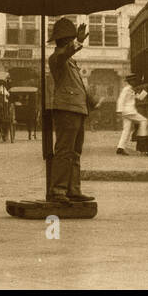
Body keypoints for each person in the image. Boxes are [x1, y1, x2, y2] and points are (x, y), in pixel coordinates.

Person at [48, 17, 96, 204]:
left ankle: (73, 189)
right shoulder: (57, 58)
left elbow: (78, 86)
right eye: (70, 39)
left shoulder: (70, 62)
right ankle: (59, 190)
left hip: (77, 109)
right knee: (64, 151)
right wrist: (79, 42)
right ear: (66, 41)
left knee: (75, 152)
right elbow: (65, 54)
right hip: (66, 109)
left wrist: (90, 102)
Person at [115, 75, 148, 155]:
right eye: (133, 80)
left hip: (127, 111)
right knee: (144, 120)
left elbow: (139, 98)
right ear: (130, 81)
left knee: (127, 130)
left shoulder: (132, 89)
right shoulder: (126, 89)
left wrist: (146, 91)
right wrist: (119, 111)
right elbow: (121, 99)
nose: (135, 82)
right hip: (128, 111)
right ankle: (142, 138)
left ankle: (120, 148)